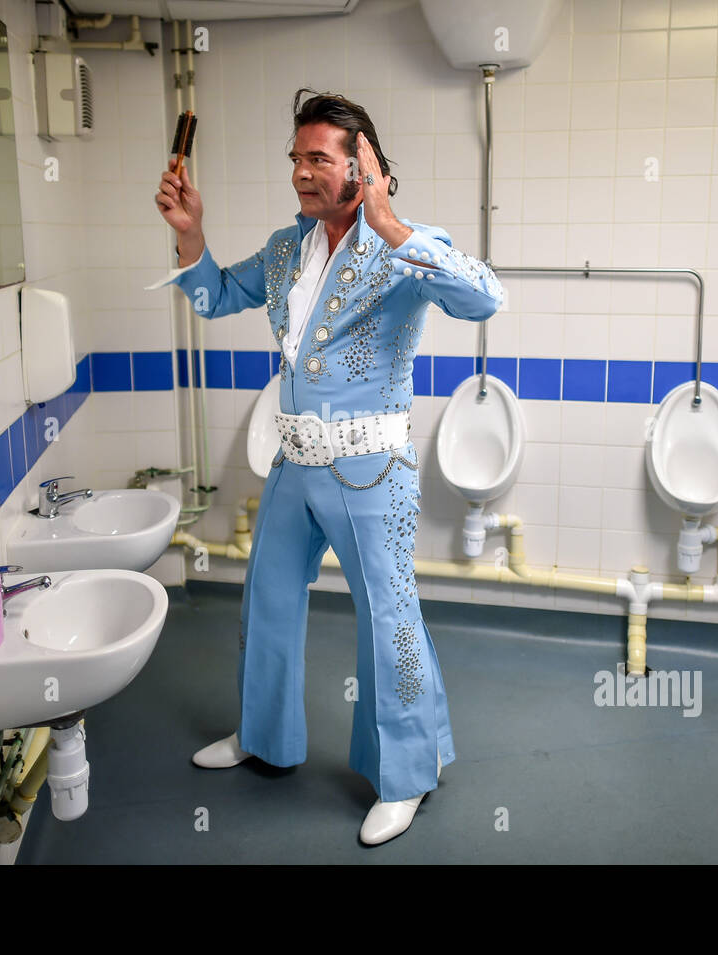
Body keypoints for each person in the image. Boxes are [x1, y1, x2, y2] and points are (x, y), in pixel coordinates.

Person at [147, 89, 505, 845]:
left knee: (390, 620)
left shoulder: (402, 245)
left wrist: (390, 222)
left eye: (319, 158)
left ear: (362, 163)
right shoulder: (285, 249)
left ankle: (406, 774)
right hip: (294, 465)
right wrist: (190, 234)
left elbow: (483, 299)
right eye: (296, 159)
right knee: (267, 602)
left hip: (373, 471)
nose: (302, 173)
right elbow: (213, 296)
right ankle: (263, 737)